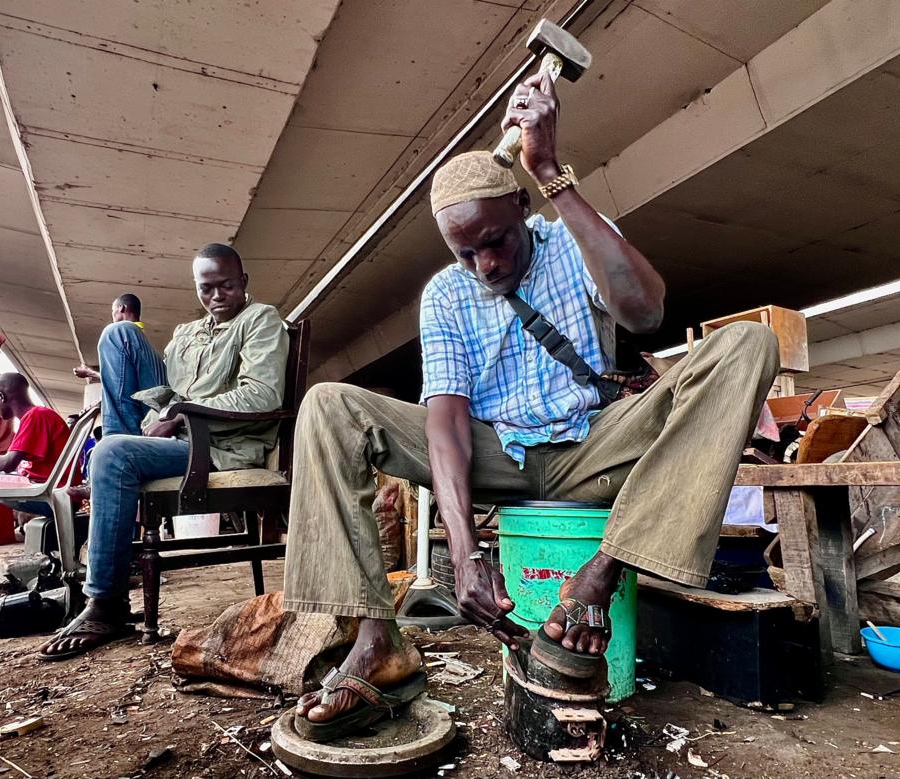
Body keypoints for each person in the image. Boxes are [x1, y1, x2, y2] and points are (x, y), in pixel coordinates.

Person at [281, 70, 780, 741]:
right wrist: (461, 552)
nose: (486, 264)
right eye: (467, 252)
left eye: (497, 241)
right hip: (499, 451)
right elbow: (448, 422)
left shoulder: (573, 235)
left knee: (747, 345)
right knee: (328, 408)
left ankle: (598, 579)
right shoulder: (446, 295)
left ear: (522, 205)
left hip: (593, 445)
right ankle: (377, 644)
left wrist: (553, 171)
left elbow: (646, 310)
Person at [38, 244, 289, 660]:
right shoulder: (186, 333)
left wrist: (177, 416)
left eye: (226, 286)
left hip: (217, 446)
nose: (216, 297)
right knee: (120, 333)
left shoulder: (260, 320)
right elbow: (165, 390)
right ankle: (112, 469)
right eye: (206, 289)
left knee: (111, 456)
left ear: (243, 282)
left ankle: (105, 603)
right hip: (175, 436)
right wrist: (158, 406)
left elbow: (263, 395)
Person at [73, 293, 167, 437]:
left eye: (113, 311)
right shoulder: (140, 339)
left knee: (113, 332)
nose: (112, 315)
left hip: (154, 407)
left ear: (121, 308)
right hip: (156, 402)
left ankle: (119, 438)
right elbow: (124, 381)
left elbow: (121, 381)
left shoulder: (124, 334)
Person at [0, 372, 71, 518]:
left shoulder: (36, 416)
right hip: (54, 492)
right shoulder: (37, 415)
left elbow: (8, 463)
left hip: (51, 495)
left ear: (1, 397)